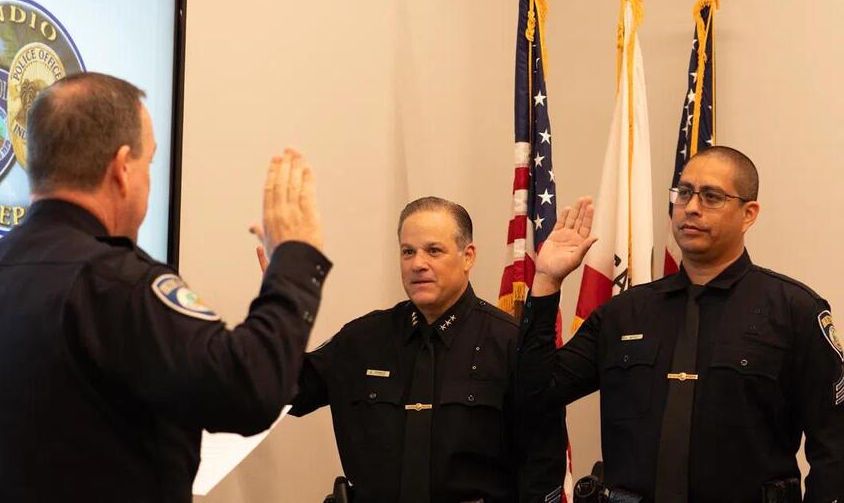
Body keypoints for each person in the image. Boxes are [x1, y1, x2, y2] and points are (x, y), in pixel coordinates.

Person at [0, 72, 332, 501]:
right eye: (149, 163)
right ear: (121, 168)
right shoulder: (120, 288)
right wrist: (295, 260)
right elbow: (251, 388)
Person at [520, 146, 844, 502]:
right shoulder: (625, 312)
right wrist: (547, 281)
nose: (691, 207)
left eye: (711, 196)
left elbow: (834, 446)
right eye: (684, 192)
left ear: (748, 214)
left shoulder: (793, 310)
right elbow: (535, 395)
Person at [262, 196, 566, 503]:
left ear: (468, 256)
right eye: (408, 252)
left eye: (434, 250)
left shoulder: (509, 343)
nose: (418, 264)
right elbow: (285, 393)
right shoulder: (362, 339)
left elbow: (543, 462)